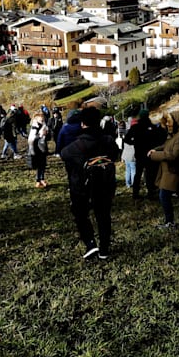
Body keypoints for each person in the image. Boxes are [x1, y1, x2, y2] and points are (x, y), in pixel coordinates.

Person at [60, 107, 120, 259]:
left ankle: (90, 243)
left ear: (82, 124)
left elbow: (63, 154)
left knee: (80, 214)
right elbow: (115, 155)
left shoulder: (77, 145)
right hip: (105, 184)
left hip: (82, 186)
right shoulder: (108, 140)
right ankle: (104, 249)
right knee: (104, 216)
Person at [149, 110, 179, 229]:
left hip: (174, 172)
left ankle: (170, 221)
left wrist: (154, 155)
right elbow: (167, 146)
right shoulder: (176, 134)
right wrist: (156, 149)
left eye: (169, 121)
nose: (168, 124)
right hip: (173, 171)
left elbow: (173, 155)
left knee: (164, 195)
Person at [123, 109, 164, 199]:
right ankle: (151, 193)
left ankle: (135, 193)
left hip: (139, 154)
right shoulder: (152, 127)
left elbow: (126, 139)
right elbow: (159, 140)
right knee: (150, 174)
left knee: (138, 174)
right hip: (150, 154)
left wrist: (134, 143)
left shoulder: (135, 127)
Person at [27, 112, 51, 188]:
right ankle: (38, 180)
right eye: (40, 118)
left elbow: (48, 138)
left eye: (42, 118)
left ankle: (42, 179)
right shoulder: (34, 127)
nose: (42, 120)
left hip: (43, 148)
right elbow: (31, 140)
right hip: (36, 149)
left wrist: (46, 134)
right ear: (36, 119)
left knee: (43, 165)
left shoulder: (44, 126)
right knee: (39, 165)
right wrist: (40, 135)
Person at [121, 118, 137, 191]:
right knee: (133, 170)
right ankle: (134, 184)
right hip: (132, 155)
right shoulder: (137, 134)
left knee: (128, 170)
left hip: (126, 154)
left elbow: (123, 145)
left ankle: (128, 184)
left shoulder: (127, 133)